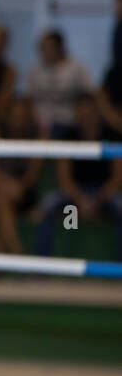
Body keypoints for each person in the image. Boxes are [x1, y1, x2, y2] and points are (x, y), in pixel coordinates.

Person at [35, 94, 122, 259]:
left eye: (89, 112)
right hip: (74, 193)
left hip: (104, 193)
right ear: (76, 114)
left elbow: (118, 178)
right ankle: (41, 267)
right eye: (81, 113)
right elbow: (63, 178)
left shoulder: (112, 135)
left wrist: (97, 199)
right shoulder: (68, 136)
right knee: (47, 206)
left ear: (97, 112)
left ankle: (118, 269)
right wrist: (81, 200)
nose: (86, 117)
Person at [0, 95, 42, 257]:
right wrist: (7, 184)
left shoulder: (35, 136)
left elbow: (32, 175)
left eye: (22, 116)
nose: (18, 120)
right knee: (1, 198)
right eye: (14, 115)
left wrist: (17, 187)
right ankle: (17, 253)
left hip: (24, 191)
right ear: (7, 115)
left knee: (2, 203)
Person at [26, 29, 98, 139]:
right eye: (41, 48)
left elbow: (91, 93)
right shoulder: (35, 71)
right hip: (39, 122)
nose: (43, 51)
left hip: (68, 121)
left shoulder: (76, 68)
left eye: (47, 47)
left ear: (58, 47)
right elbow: (28, 97)